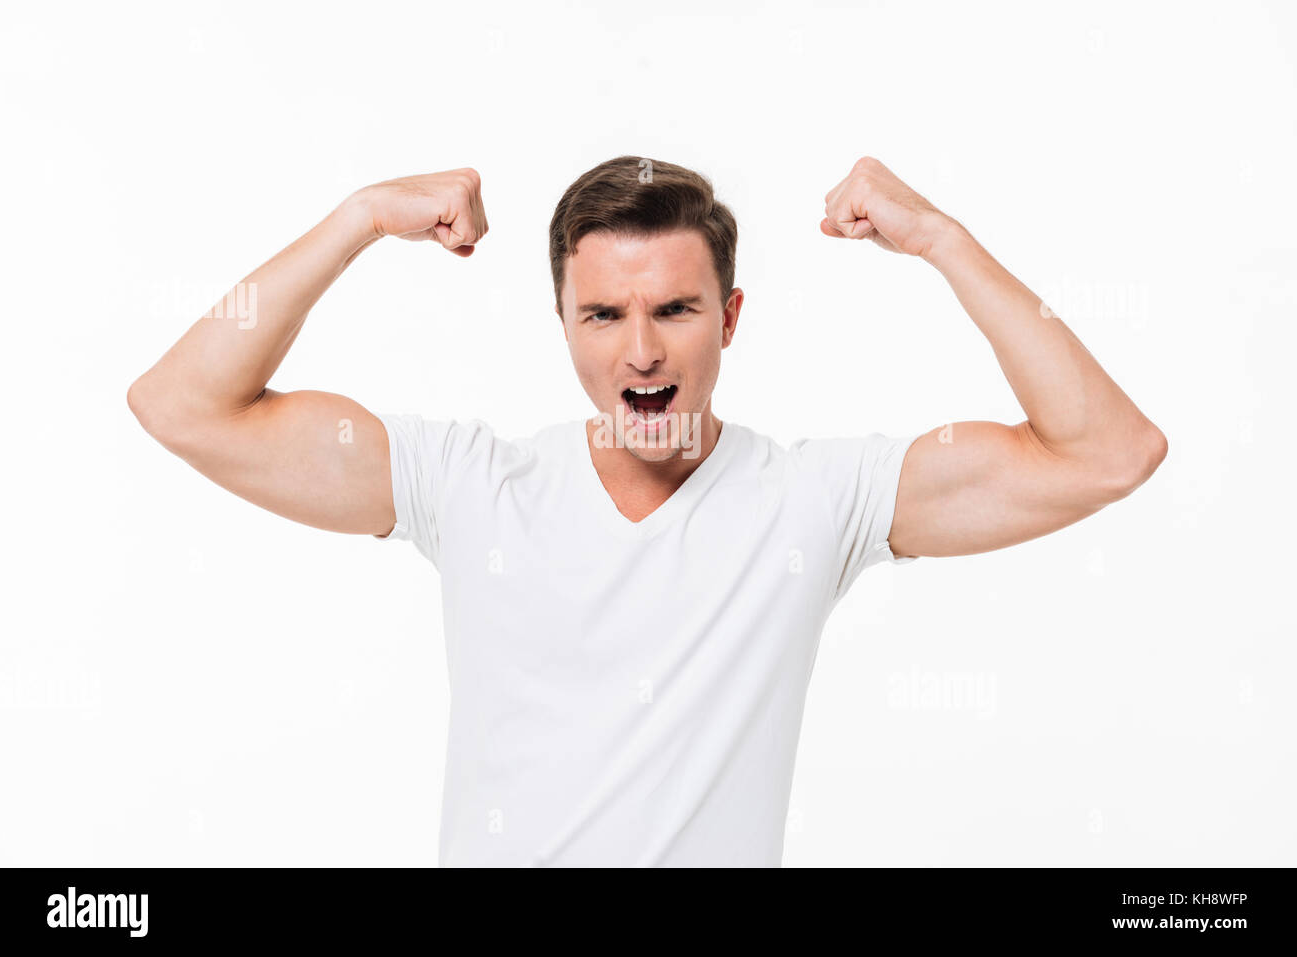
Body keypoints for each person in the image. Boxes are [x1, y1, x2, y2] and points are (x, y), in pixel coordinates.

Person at [127, 155, 1167, 866]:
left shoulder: (816, 502)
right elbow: (182, 405)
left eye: (674, 309)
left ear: (729, 317)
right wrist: (357, 216)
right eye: (603, 314)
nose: (640, 352)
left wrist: (942, 238)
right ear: (563, 325)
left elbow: (1108, 453)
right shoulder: (468, 487)